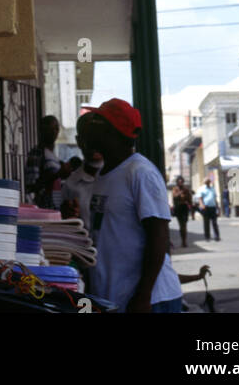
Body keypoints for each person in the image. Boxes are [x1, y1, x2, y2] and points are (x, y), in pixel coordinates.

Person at [76, 98, 184, 313]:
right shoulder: (104, 173)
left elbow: (159, 237)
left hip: (149, 301)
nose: (90, 127)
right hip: (115, 298)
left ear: (113, 133)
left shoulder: (140, 173)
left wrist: (143, 296)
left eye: (98, 122)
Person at [25, 114, 72, 209]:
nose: (54, 132)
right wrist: (57, 174)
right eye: (49, 128)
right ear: (41, 131)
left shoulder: (53, 155)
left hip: (56, 206)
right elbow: (31, 186)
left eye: (56, 128)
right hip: (44, 207)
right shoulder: (37, 153)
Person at [171, 176, 193, 248]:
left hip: (184, 208)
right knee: (181, 225)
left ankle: (184, 240)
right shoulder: (175, 189)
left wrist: (191, 209)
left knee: (184, 225)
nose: (180, 183)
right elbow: (175, 197)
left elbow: (189, 199)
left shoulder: (186, 189)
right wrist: (180, 192)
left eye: (181, 181)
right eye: (179, 181)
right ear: (177, 182)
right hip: (178, 208)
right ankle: (183, 241)